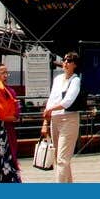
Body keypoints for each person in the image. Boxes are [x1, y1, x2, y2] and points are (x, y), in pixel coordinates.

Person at [42, 51, 83, 183]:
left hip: (69, 119)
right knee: (58, 158)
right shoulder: (57, 79)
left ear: (75, 65)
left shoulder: (75, 80)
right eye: (64, 60)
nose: (65, 62)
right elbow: (51, 99)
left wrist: (51, 109)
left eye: (69, 61)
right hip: (55, 119)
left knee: (62, 159)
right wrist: (45, 123)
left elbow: (68, 102)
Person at [0, 60, 23, 183]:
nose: (6, 75)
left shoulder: (10, 92)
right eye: (3, 73)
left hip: (7, 131)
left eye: (7, 73)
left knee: (9, 161)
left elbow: (16, 115)